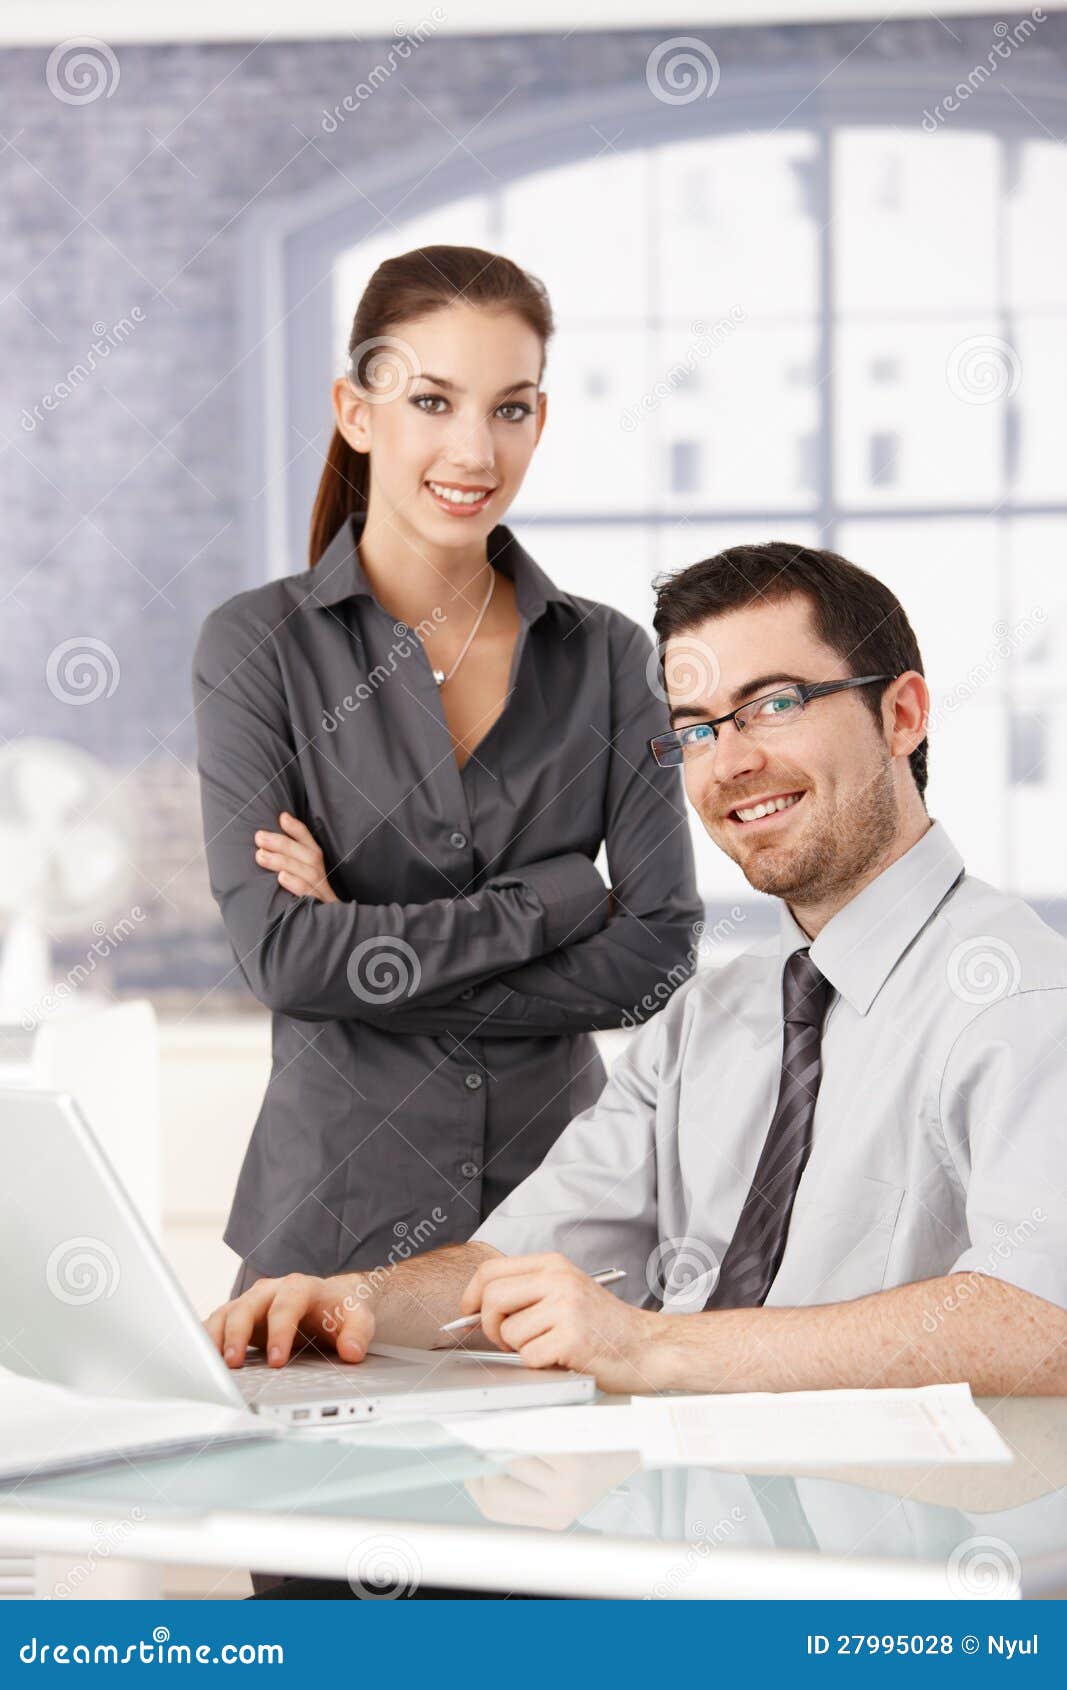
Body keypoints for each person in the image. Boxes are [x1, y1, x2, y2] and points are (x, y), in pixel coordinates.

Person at [207, 541, 1067, 1405]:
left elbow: (1046, 1321)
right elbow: (517, 1262)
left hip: (898, 1531)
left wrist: (657, 1346)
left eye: (772, 704)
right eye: (696, 728)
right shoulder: (711, 1018)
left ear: (901, 715)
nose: (729, 763)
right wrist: (357, 1300)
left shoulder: (1020, 1000)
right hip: (682, 1509)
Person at [191, 245, 701, 1311]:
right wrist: (550, 902)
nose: (474, 449)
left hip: (561, 1230)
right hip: (323, 1231)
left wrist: (368, 952)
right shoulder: (260, 647)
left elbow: (654, 957)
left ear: (539, 421)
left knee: (585, 1486)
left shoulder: (610, 658)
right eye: (432, 400)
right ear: (356, 410)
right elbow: (283, 957)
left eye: (509, 409)